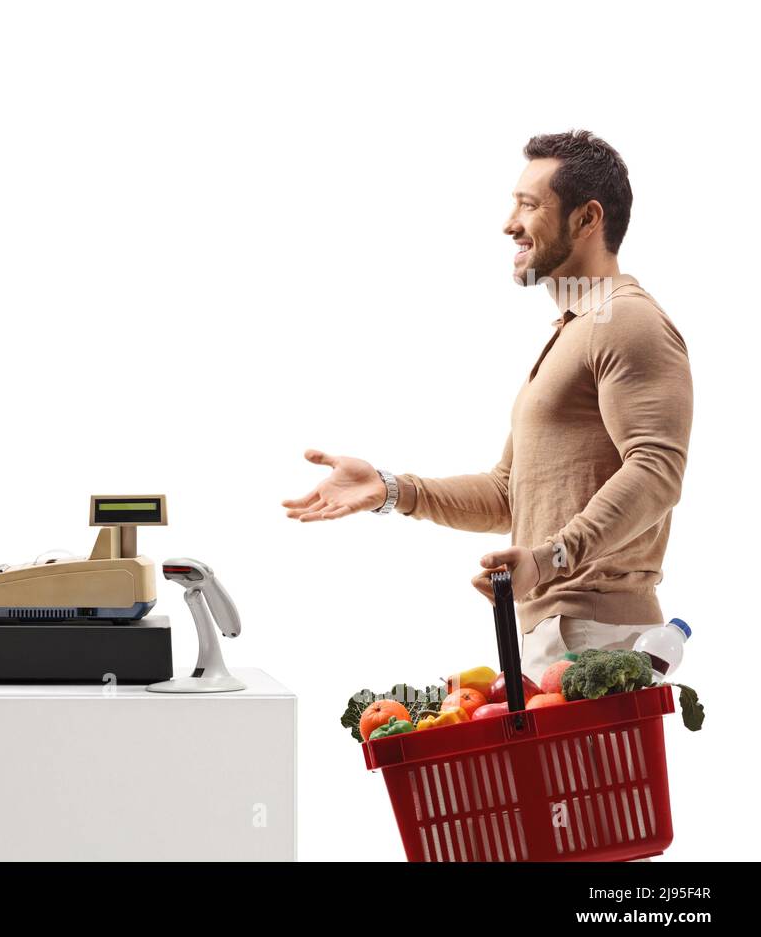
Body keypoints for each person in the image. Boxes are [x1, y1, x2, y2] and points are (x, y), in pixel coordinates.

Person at [282, 130, 692, 683]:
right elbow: (509, 493)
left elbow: (657, 471)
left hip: (596, 633)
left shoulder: (628, 321)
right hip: (554, 631)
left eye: (529, 204)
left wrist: (548, 560)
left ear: (587, 218)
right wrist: (392, 489)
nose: (509, 224)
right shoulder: (574, 331)